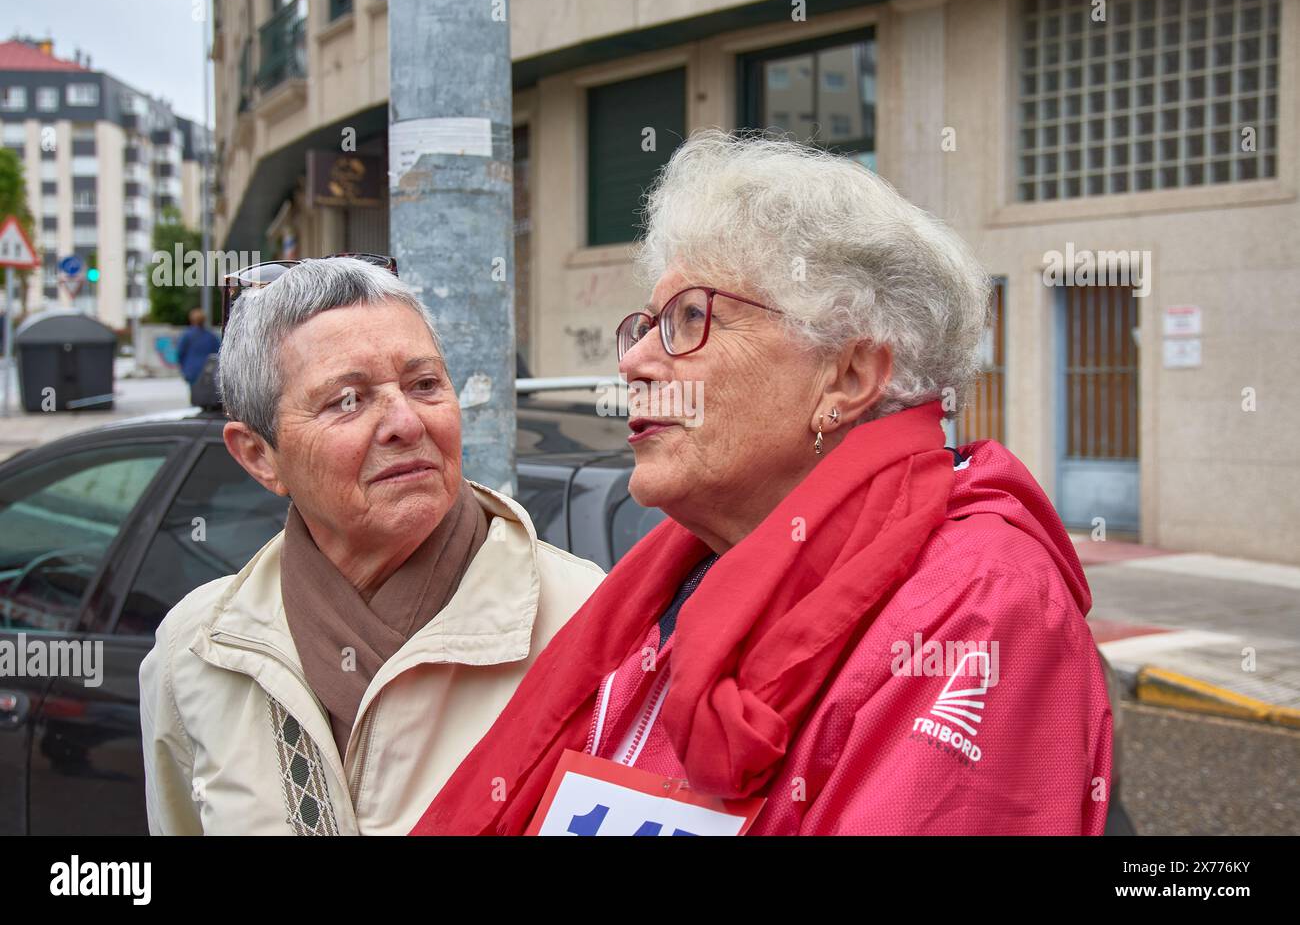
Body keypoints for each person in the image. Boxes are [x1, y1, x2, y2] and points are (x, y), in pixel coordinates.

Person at [414, 130, 1113, 836]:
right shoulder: (679, 576)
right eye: (648, 324)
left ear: (847, 377)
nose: (636, 363)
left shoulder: (981, 603)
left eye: (692, 317)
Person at [139, 257, 604, 834]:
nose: (406, 422)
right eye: (347, 400)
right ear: (259, 455)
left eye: (425, 384)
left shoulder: (591, 624)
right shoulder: (197, 651)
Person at [174, 307, 220, 390]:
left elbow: (180, 353)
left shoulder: (186, 336)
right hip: (207, 371)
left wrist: (183, 368)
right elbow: (218, 353)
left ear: (191, 320)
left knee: (194, 395)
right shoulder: (211, 336)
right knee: (205, 396)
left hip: (191, 371)